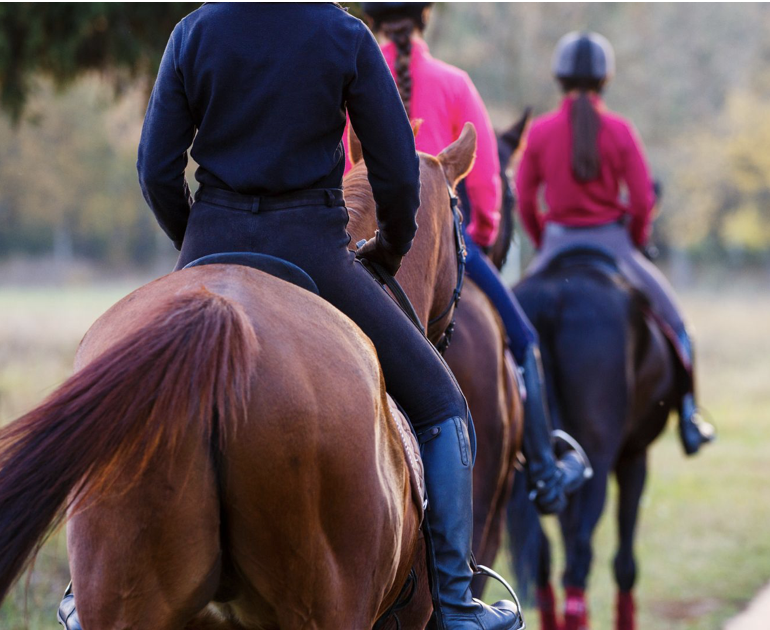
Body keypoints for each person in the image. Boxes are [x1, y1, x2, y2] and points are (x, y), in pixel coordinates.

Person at [57, 5, 520, 630]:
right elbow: (396, 174)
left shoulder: (194, 31)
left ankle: (86, 592)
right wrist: (387, 249)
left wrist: (194, 245)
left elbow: (155, 170)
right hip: (314, 251)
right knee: (442, 407)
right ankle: (459, 607)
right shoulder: (343, 34)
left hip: (207, 243)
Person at [358, 2, 579, 515]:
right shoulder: (455, 83)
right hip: (445, 234)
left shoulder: (355, 69)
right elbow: (483, 181)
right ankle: (545, 471)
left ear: (373, 21)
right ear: (424, 17)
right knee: (523, 340)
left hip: (365, 235)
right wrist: (476, 234)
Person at [516, 31, 715, 457]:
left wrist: (542, 241)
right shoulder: (621, 131)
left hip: (555, 244)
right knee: (678, 326)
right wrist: (635, 243)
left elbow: (525, 198)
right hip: (615, 244)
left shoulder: (541, 132)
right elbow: (642, 202)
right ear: (606, 80)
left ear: (559, 78)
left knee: (508, 324)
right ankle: (690, 416)